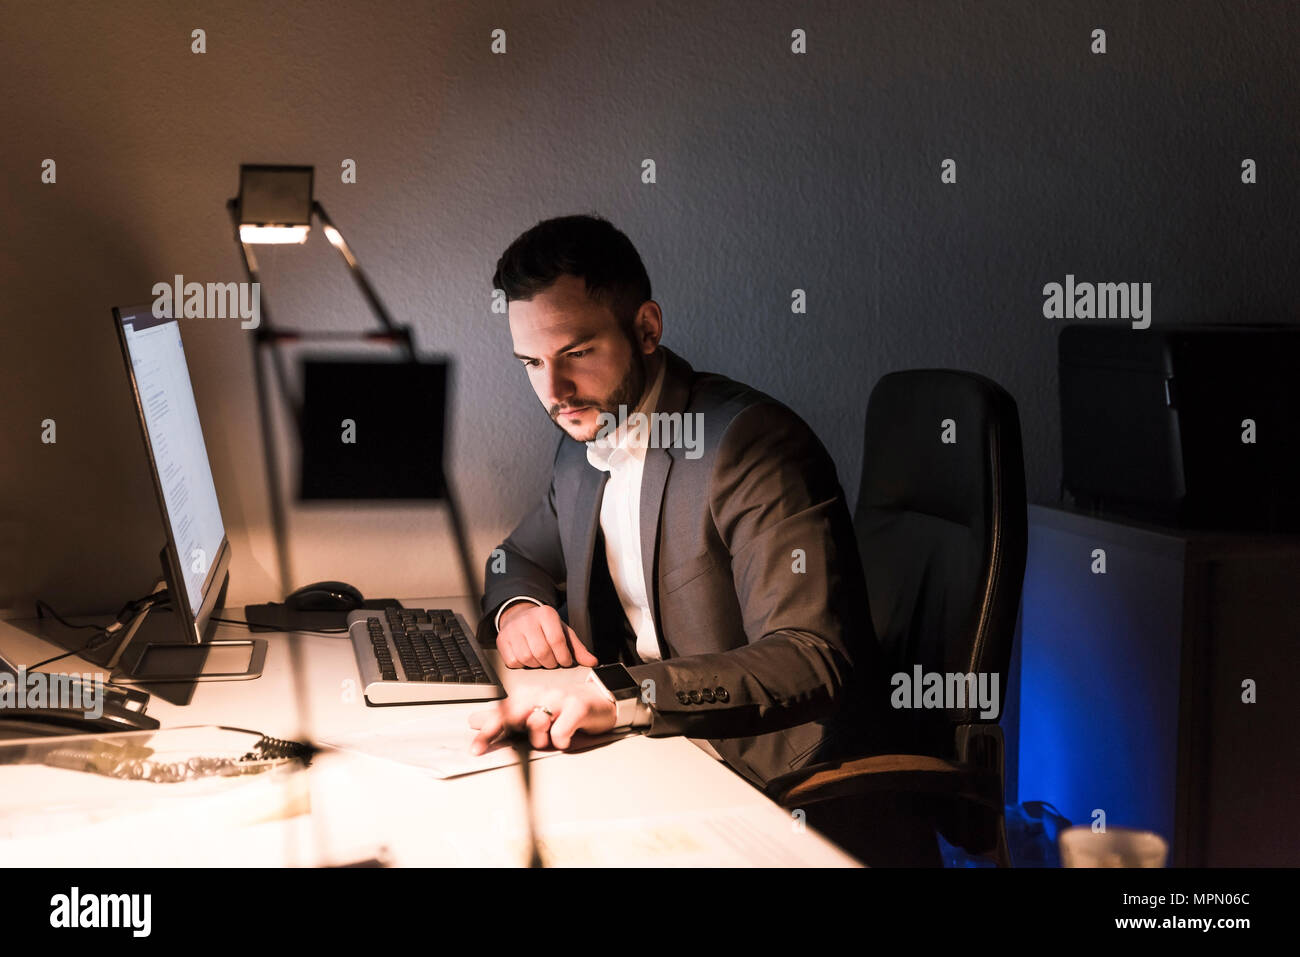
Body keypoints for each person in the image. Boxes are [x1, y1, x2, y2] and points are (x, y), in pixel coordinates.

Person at [467, 213, 890, 791]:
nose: (554, 392)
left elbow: (810, 656)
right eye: (533, 364)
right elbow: (515, 559)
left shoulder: (751, 444)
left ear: (645, 328)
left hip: (771, 775)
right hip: (653, 752)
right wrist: (518, 609)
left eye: (578, 353)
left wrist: (620, 695)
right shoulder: (582, 438)